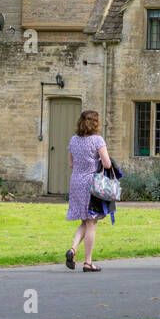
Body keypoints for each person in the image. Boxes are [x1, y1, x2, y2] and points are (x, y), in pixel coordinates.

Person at [66, 109, 111, 272]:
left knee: (84, 220)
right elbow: (107, 164)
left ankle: (72, 249)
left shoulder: (73, 140)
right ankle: (88, 262)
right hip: (91, 182)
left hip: (76, 181)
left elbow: (71, 164)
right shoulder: (97, 140)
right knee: (92, 222)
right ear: (95, 123)